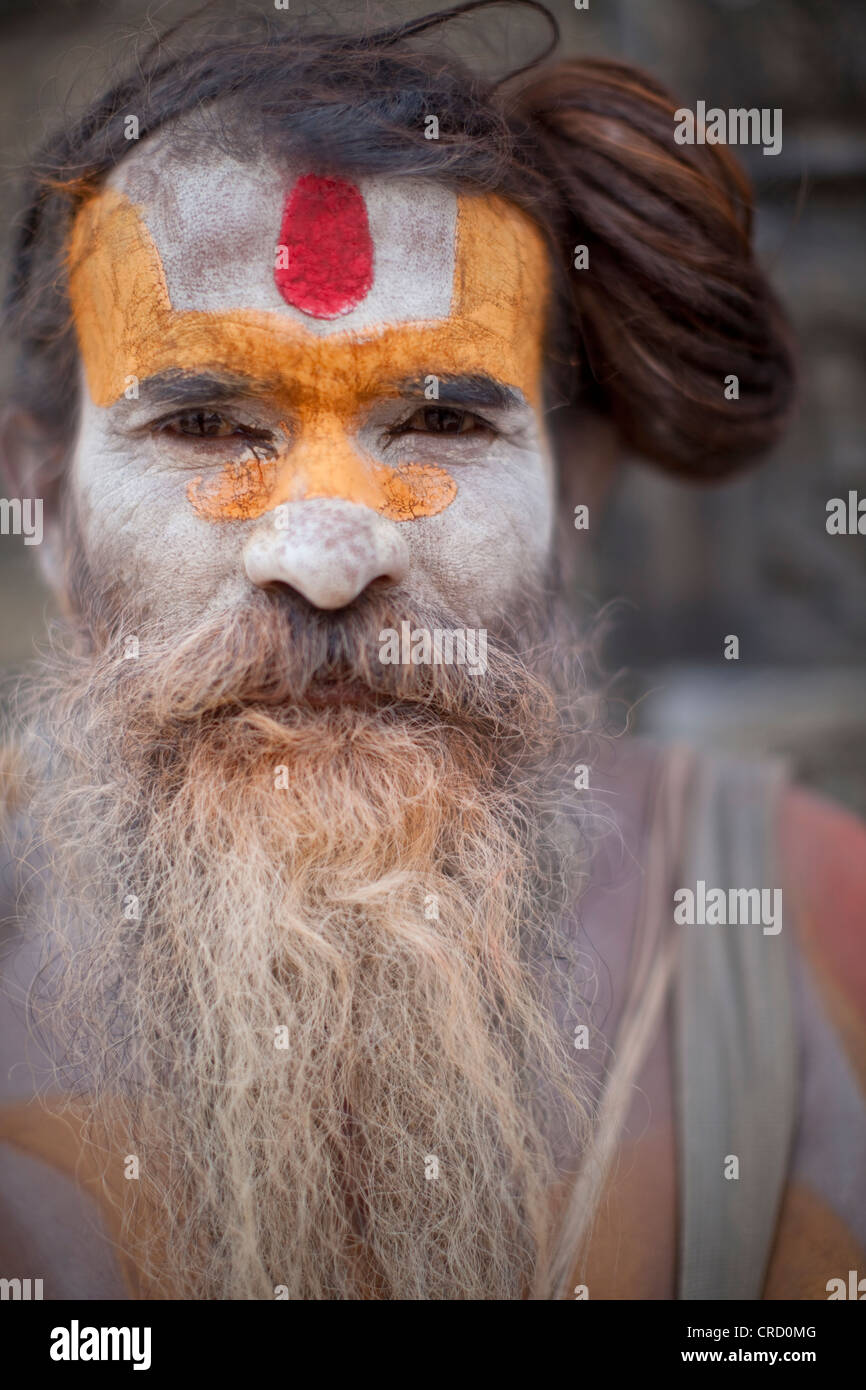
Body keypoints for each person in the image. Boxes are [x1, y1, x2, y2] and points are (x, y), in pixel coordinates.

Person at [0, 2, 863, 1300]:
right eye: (202, 423)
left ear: (575, 490)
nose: (327, 557)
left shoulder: (810, 910)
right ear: (41, 500)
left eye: (444, 419)